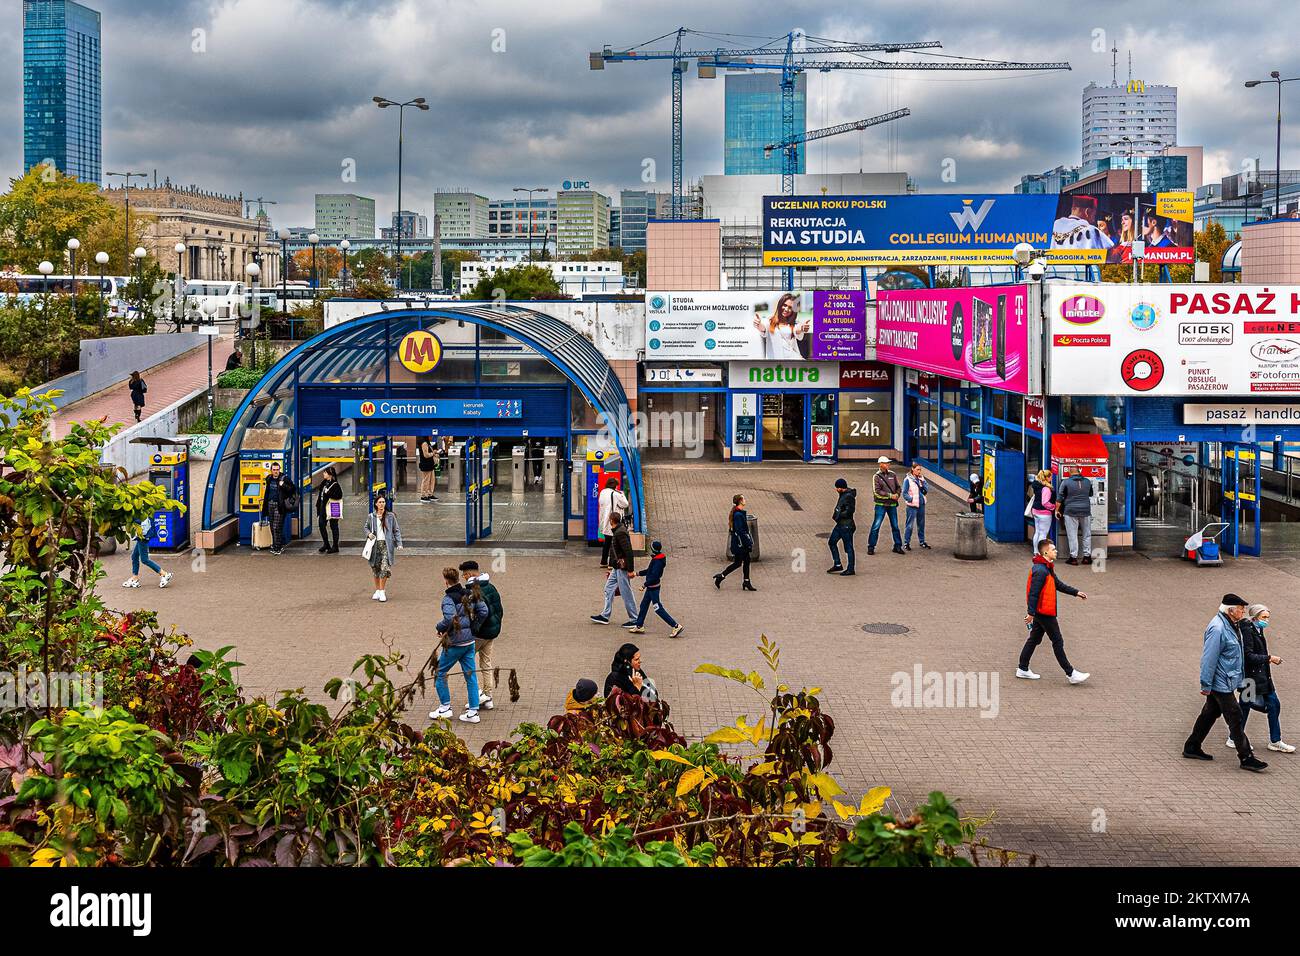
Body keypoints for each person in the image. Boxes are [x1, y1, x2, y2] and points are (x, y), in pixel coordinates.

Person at [1183, 594, 1269, 772]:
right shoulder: (1218, 628)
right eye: (1240, 608)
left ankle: (1192, 746)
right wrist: (1205, 684)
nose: (1243, 611)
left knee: (1209, 713)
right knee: (1235, 716)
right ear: (1231, 610)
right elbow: (1209, 659)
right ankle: (1246, 757)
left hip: (1226, 679)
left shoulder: (1232, 625)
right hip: (1219, 682)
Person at [1017, 538, 1090, 684]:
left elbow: (1057, 584)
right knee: (1057, 640)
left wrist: (1075, 592)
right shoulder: (1041, 571)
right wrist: (1030, 613)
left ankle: (1023, 668)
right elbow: (1033, 593)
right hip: (1044, 612)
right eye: (1053, 549)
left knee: (1034, 639)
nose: (1056, 551)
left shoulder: (1046, 567)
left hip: (1041, 611)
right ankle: (1071, 674)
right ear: (1045, 552)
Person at [429, 567, 488, 724]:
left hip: (455, 643)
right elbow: (484, 610)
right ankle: (473, 711)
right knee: (470, 675)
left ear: (446, 581)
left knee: (440, 672)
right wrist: (475, 626)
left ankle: (445, 707)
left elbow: (450, 619)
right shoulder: (469, 593)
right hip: (470, 642)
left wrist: (439, 627)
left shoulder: (448, 599)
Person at [1234, 604, 1294, 754]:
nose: (1267, 621)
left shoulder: (1257, 630)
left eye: (1268, 617)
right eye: (1264, 618)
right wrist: (1269, 658)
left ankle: (1275, 740)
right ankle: (1235, 737)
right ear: (1255, 618)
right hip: (1251, 678)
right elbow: (1248, 656)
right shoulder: (1248, 631)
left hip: (1262, 678)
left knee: (1273, 705)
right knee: (1245, 707)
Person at [460, 560, 503, 711]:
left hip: (479, 635)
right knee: (486, 663)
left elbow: (475, 614)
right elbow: (499, 609)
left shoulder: (474, 591)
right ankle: (488, 697)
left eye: (464, 575)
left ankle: (476, 698)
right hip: (492, 633)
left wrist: (474, 628)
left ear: (470, 573)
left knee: (468, 663)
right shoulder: (491, 586)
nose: (464, 578)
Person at [591, 512, 638, 625]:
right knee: (608, 588)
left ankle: (634, 619)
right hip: (616, 567)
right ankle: (605, 615)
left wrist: (631, 570)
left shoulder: (620, 533)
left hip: (622, 568)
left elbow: (628, 552)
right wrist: (612, 567)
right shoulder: (618, 530)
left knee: (626, 592)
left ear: (612, 520)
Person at [631, 539, 683, 637]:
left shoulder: (657, 562)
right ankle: (639, 625)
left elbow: (654, 576)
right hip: (651, 587)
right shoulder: (657, 559)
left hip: (653, 588)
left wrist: (644, 585)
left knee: (658, 608)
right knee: (644, 605)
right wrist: (637, 574)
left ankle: (675, 625)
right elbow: (649, 571)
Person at [362, 494, 402, 602]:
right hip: (375, 545)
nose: (381, 504)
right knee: (376, 568)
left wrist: (399, 543)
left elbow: (396, 530)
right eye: (379, 502)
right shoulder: (371, 516)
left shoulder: (390, 516)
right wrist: (369, 534)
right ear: (375, 504)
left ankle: (382, 590)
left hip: (386, 545)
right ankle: (378, 590)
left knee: (384, 568)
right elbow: (366, 527)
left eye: (383, 502)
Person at [714, 494, 757, 591]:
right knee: (739, 563)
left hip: (741, 543)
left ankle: (746, 581)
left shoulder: (739, 513)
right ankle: (721, 576)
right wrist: (748, 542)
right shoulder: (738, 515)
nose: (745, 500)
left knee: (746, 561)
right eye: (744, 498)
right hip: (740, 544)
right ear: (740, 501)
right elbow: (740, 531)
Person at [753, 293, 810, 361]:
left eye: (790, 307)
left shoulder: (795, 324)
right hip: (775, 364)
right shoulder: (769, 322)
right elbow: (763, 328)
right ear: (780, 304)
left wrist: (802, 328)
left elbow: (797, 330)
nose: (786, 309)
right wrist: (758, 324)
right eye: (785, 305)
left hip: (793, 362)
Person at [121, 515, 172, 589]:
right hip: (142, 535)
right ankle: (135, 578)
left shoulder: (142, 510)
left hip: (143, 536)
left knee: (144, 559)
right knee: (134, 556)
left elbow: (142, 522)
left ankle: (164, 574)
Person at [1056, 468, 1094, 565]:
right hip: (1085, 510)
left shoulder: (1065, 482)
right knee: (1087, 534)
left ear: (1070, 473)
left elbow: (1060, 498)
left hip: (1070, 511)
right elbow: (1091, 494)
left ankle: (1073, 558)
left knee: (1072, 535)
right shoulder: (1087, 481)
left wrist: (1056, 510)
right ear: (1079, 471)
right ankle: (1087, 557)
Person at [868, 457, 904, 556]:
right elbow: (877, 491)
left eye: (888, 463)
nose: (888, 464)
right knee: (876, 526)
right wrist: (890, 495)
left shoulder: (893, 474)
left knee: (895, 526)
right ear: (880, 464)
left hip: (892, 504)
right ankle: (871, 546)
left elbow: (898, 487)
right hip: (881, 505)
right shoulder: (876, 476)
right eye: (886, 463)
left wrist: (897, 494)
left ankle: (897, 546)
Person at [259, 461, 296, 555]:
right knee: (272, 526)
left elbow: (293, 489)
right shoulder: (269, 479)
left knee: (277, 527)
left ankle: (277, 548)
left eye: (277, 470)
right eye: (274, 470)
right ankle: (276, 545)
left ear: (280, 470)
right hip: (269, 504)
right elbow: (267, 492)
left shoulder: (284, 478)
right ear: (271, 470)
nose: (276, 471)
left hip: (279, 506)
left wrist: (283, 485)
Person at [597, 475, 629, 568]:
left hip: (605, 520)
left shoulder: (603, 492)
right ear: (615, 485)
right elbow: (625, 504)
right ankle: (611, 563)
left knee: (607, 542)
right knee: (614, 543)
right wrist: (621, 494)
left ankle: (603, 562)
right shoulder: (616, 494)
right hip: (614, 521)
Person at [827, 478, 857, 575]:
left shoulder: (848, 496)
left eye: (837, 487)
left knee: (848, 547)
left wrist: (839, 513)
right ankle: (837, 564)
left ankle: (851, 568)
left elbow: (850, 510)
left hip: (846, 525)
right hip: (840, 524)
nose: (836, 489)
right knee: (832, 542)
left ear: (841, 487)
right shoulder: (843, 495)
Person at [901, 462, 930, 551]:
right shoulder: (907, 480)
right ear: (913, 470)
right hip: (912, 506)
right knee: (909, 525)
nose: (919, 471)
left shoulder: (921, 479)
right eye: (917, 469)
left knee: (921, 524)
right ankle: (906, 542)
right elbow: (904, 493)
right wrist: (911, 499)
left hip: (921, 504)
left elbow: (926, 489)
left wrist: (923, 481)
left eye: (920, 469)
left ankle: (922, 541)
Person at [315, 465, 343, 554]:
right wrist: (318, 507)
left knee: (333, 526)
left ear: (330, 474)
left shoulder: (335, 484)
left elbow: (339, 496)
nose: (324, 474)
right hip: (323, 507)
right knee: (321, 525)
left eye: (325, 473)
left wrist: (329, 493)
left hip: (332, 508)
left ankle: (335, 546)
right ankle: (326, 544)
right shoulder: (324, 483)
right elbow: (320, 495)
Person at [1028, 469, 1056, 553]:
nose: (1051, 478)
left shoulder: (1037, 486)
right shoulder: (1046, 489)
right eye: (1050, 476)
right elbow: (1045, 502)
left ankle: (1036, 552)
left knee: (1037, 532)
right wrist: (1053, 507)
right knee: (1043, 534)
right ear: (1046, 478)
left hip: (1036, 511)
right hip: (1044, 513)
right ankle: (1041, 553)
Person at [417, 435, 439, 502]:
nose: (431, 437)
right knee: (426, 480)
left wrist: (433, 453)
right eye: (430, 435)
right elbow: (426, 455)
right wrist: (433, 453)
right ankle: (423, 495)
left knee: (432, 480)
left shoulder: (428, 442)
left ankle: (430, 494)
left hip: (430, 464)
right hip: (426, 464)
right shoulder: (424, 443)